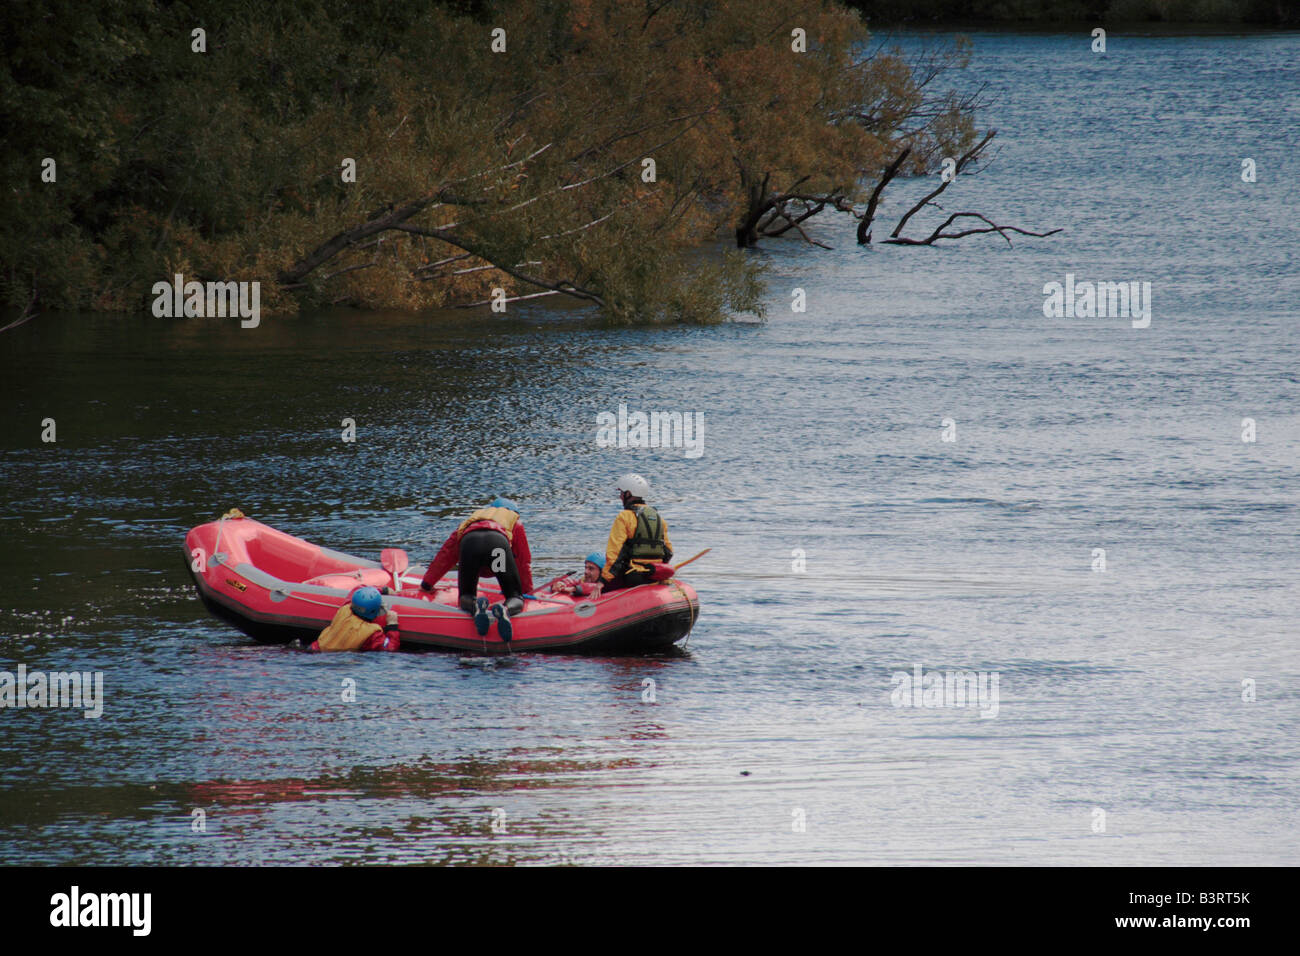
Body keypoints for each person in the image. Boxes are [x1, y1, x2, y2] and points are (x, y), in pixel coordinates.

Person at [421, 497, 534, 640]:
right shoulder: (514, 521)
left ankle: (475, 606)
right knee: (514, 596)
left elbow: (446, 555)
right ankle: (505, 610)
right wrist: (527, 591)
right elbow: (523, 561)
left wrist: (427, 583)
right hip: (497, 546)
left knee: (466, 596)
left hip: (470, 545)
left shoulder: (471, 521)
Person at [601, 474, 672, 592]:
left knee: (598, 581)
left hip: (633, 577)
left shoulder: (624, 517)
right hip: (654, 575)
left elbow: (614, 553)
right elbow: (668, 552)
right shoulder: (659, 518)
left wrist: (603, 581)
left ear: (628, 494)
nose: (620, 497)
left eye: (621, 493)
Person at [311, 585, 400, 652]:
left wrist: (383, 590)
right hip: (337, 657)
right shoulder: (372, 634)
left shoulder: (345, 610)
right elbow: (390, 648)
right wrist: (392, 625)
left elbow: (357, 589)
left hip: (315, 649)